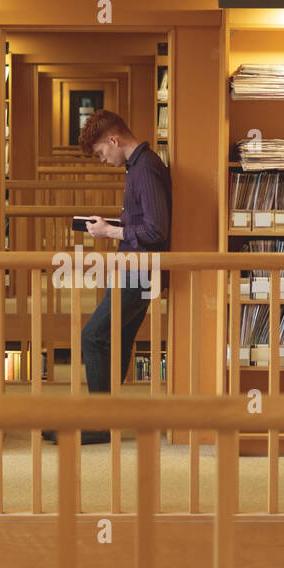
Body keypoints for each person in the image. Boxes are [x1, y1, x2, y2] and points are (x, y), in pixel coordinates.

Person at [43, 109, 171, 444]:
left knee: (94, 337)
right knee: (116, 339)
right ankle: (105, 415)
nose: (102, 160)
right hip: (135, 268)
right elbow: (144, 221)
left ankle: (100, 424)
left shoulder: (145, 169)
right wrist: (112, 225)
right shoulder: (139, 167)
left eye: (101, 152)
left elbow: (157, 229)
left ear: (114, 140)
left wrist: (110, 231)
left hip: (140, 271)